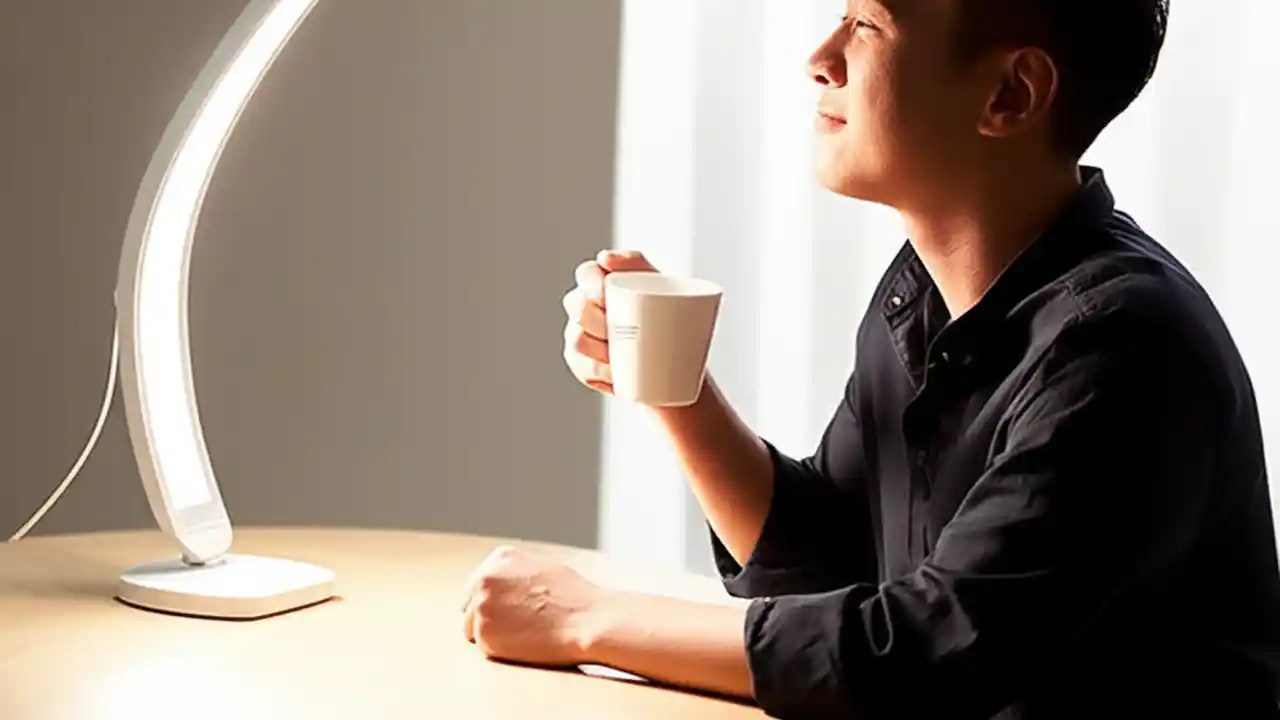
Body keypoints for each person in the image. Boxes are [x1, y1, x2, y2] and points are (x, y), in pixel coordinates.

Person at [460, 1, 1280, 717]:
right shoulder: (924, 293)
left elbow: (920, 656)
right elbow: (827, 566)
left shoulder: (1124, 346)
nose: (819, 59)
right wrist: (677, 392)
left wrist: (585, 620)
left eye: (865, 23)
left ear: (1010, 94)